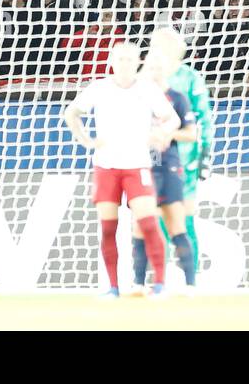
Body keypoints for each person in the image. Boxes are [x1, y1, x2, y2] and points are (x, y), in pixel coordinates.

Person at [63, 40, 179, 299]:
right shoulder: (100, 88)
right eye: (119, 59)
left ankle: (159, 284)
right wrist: (85, 140)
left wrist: (160, 132)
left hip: (136, 164)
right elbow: (71, 113)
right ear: (111, 62)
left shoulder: (147, 89)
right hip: (106, 166)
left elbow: (173, 118)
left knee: (148, 223)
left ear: (137, 62)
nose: (124, 64)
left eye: (129, 59)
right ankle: (113, 287)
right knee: (107, 227)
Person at [128, 28, 200, 293]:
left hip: (168, 167)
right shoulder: (137, 98)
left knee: (176, 223)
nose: (153, 71)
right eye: (150, 66)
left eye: (159, 67)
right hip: (141, 167)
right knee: (140, 224)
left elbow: (192, 134)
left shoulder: (177, 99)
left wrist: (166, 133)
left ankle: (190, 283)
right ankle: (139, 282)